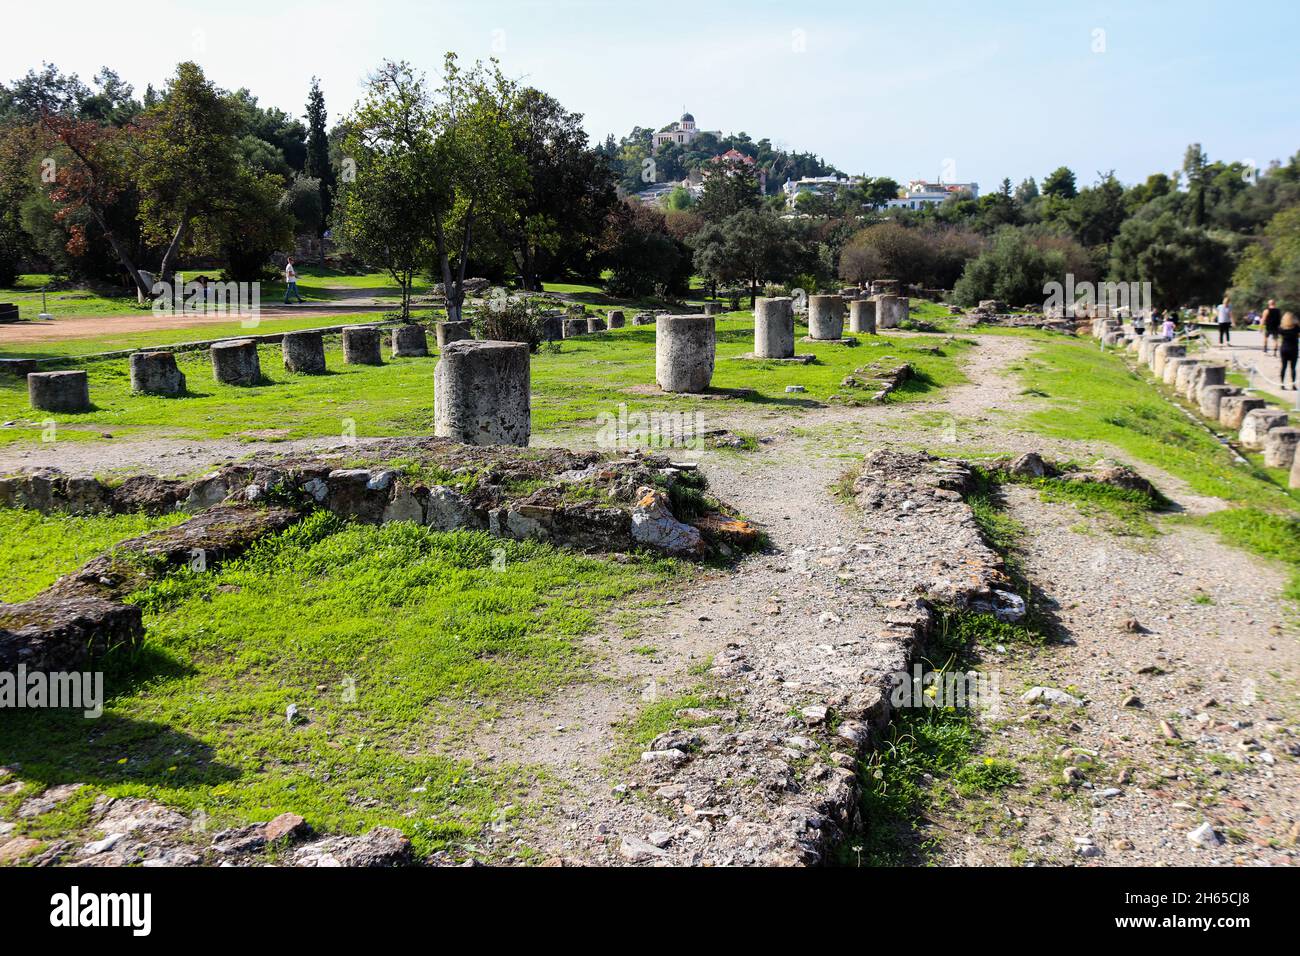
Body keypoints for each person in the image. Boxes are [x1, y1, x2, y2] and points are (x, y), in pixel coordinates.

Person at [1280, 312, 1299, 389]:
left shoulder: (1281, 328)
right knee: (1293, 368)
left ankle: (1282, 384)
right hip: (1293, 349)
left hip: (1284, 348)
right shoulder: (1296, 328)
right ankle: (1293, 385)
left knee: (1283, 367)